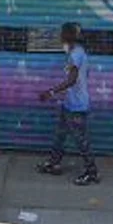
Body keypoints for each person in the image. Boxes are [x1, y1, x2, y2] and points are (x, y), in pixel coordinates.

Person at [35, 22, 99, 185]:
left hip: (77, 105)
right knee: (60, 135)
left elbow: (72, 80)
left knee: (81, 140)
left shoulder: (76, 54)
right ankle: (53, 163)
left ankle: (91, 172)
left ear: (68, 36)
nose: (60, 36)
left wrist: (51, 92)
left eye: (62, 33)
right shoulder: (77, 53)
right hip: (69, 103)